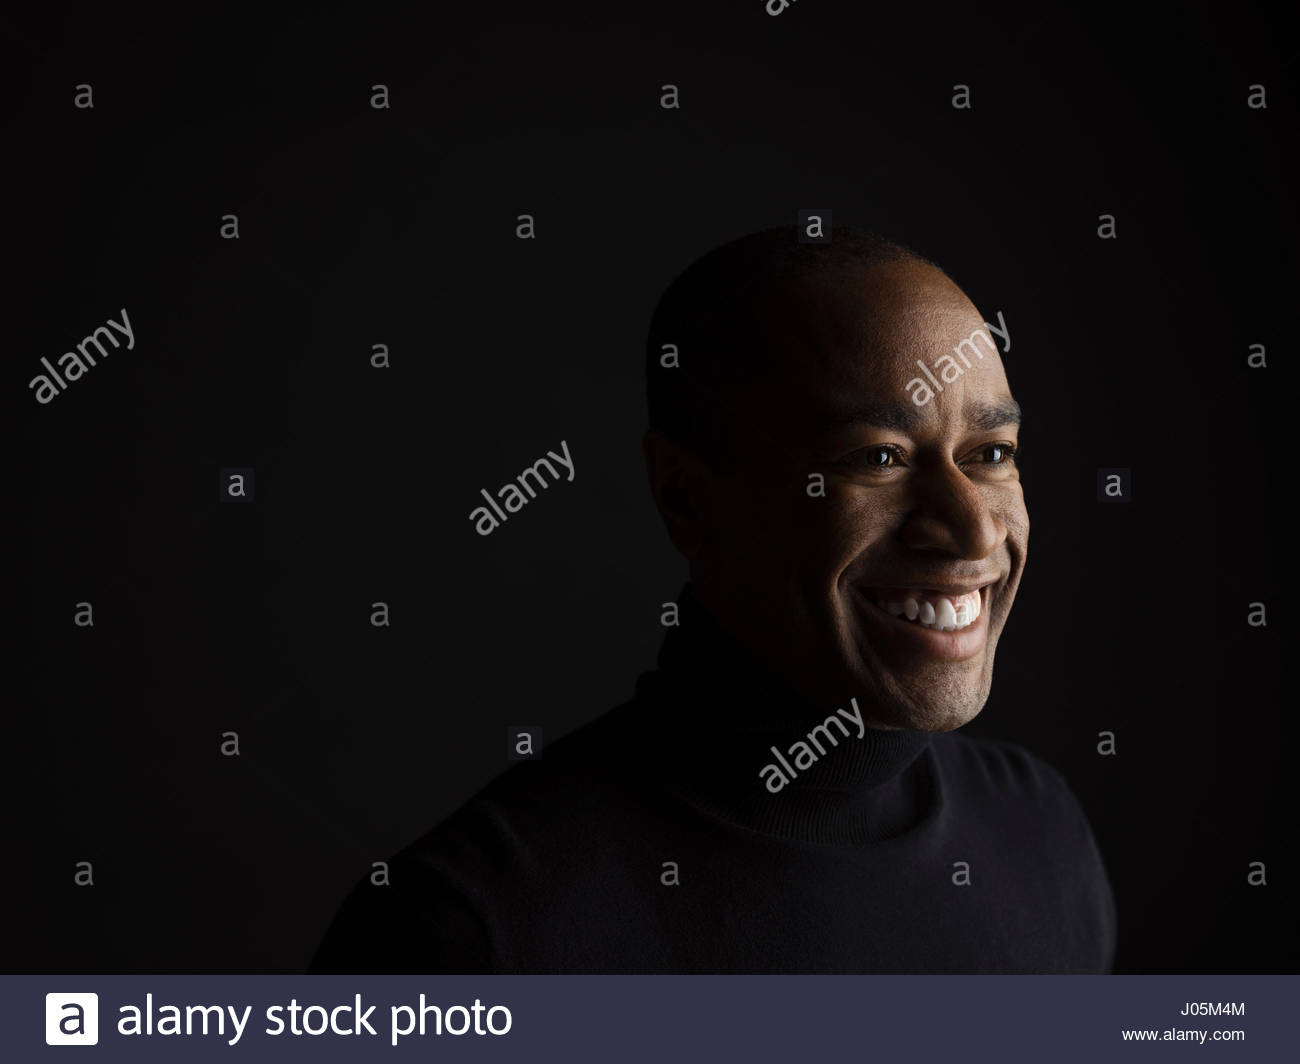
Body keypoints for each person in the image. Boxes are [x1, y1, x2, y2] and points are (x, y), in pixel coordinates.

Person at [310, 225, 1117, 973]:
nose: (974, 531)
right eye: (878, 456)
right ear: (687, 501)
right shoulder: (469, 932)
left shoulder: (1040, 834)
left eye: (992, 452)